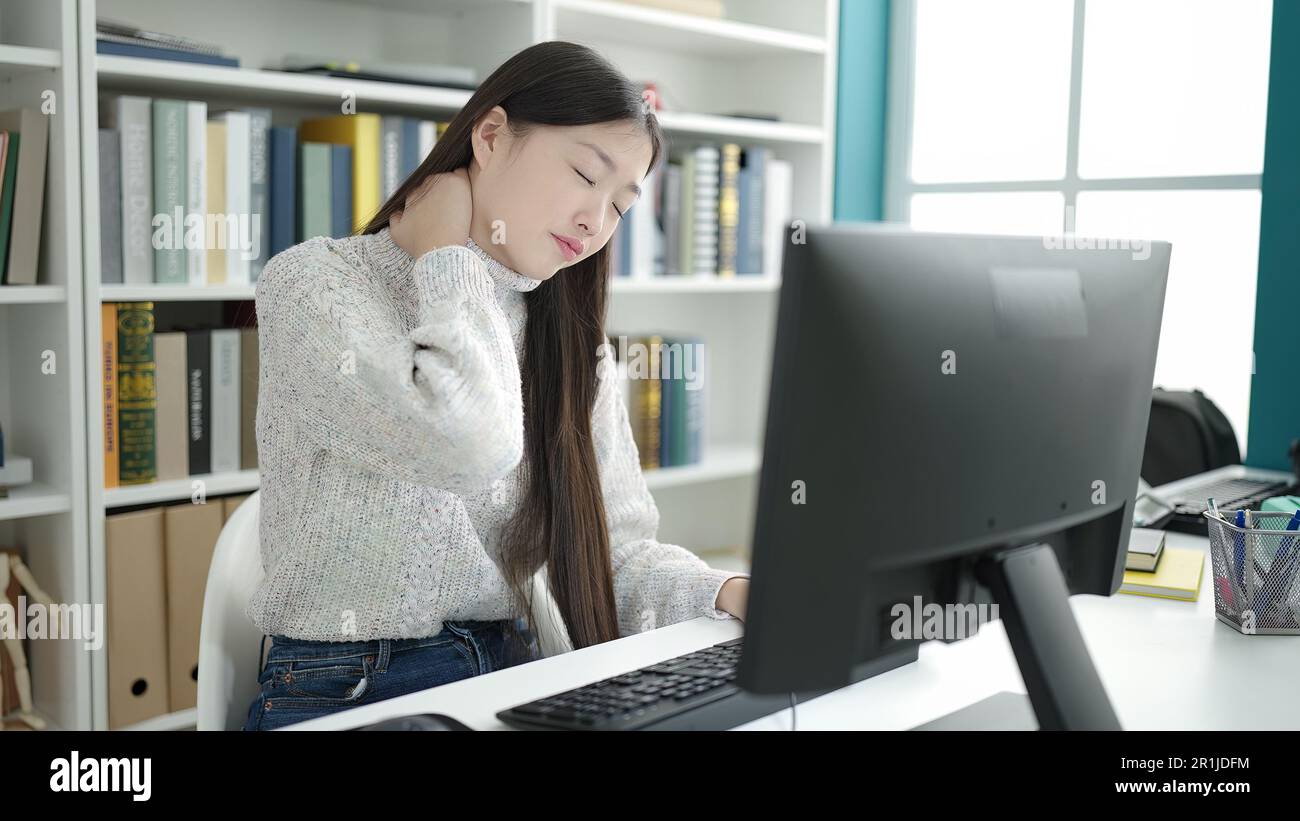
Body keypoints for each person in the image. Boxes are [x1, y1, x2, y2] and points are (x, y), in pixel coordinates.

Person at [242, 40, 750, 731]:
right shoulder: (316, 285)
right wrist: (449, 257)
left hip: (517, 672)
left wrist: (729, 591)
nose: (595, 220)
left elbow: (616, 555)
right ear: (490, 135)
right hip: (348, 690)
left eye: (621, 206)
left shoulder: (567, 338)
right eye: (584, 174)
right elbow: (466, 442)